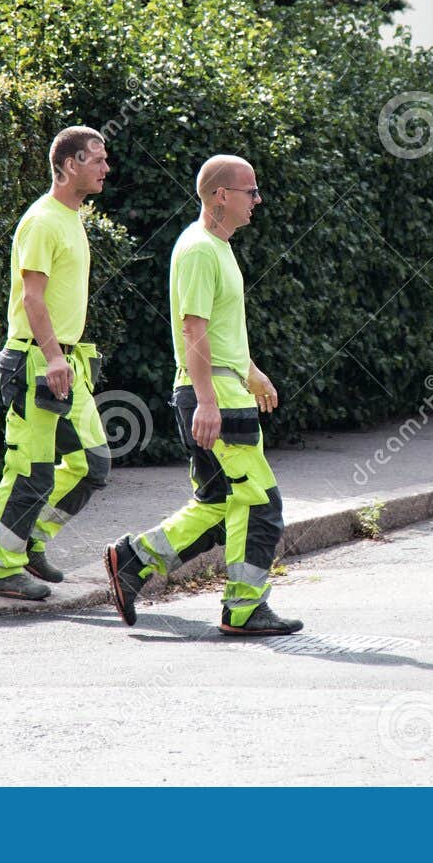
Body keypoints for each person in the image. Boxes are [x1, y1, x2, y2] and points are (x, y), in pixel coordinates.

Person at [104, 155, 303, 636]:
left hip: (224, 391)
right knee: (260, 503)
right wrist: (209, 401)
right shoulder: (198, 250)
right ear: (220, 195)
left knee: (219, 503)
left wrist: (252, 373)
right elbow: (193, 331)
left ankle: (133, 558)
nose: (257, 200)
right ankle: (245, 608)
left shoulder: (218, 248)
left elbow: (220, 332)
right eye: (249, 191)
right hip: (216, 400)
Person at [0, 127, 112, 601]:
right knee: (29, 469)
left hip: (65, 363)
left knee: (92, 463)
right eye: (96, 160)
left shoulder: (70, 218)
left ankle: (31, 540)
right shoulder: (42, 220)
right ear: (69, 164)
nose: (105, 168)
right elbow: (32, 298)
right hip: (36, 361)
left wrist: (65, 359)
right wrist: (54, 356)